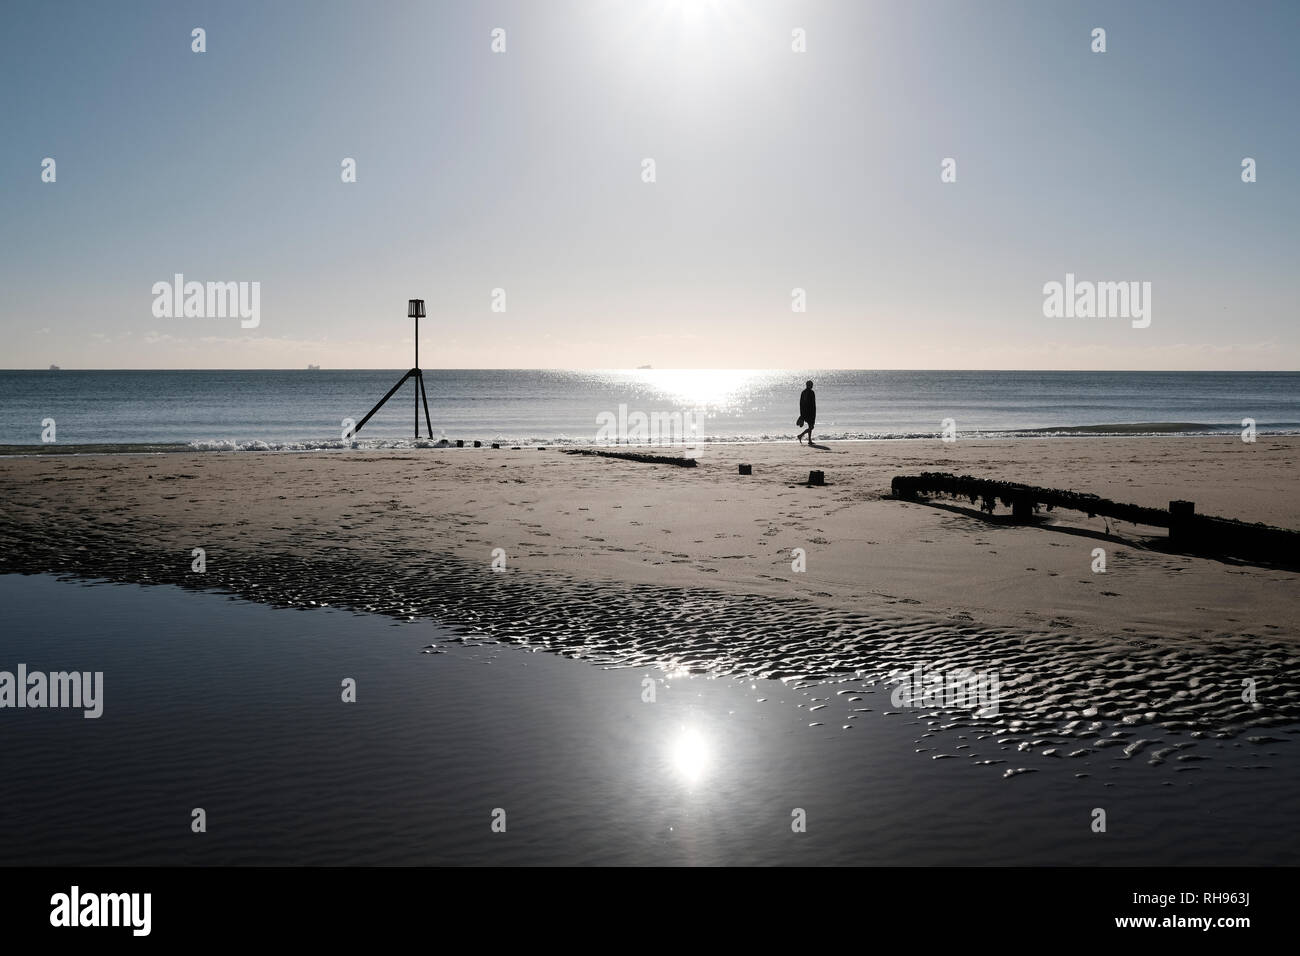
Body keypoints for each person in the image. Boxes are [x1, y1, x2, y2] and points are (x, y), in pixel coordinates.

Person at [797, 380, 816, 445]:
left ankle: (809, 440)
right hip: (810, 412)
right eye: (811, 385)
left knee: (810, 426)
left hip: (805, 412)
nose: (812, 386)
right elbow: (811, 404)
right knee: (811, 427)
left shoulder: (803, 392)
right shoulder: (811, 392)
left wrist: (802, 413)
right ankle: (800, 435)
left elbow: (801, 404)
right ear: (808, 385)